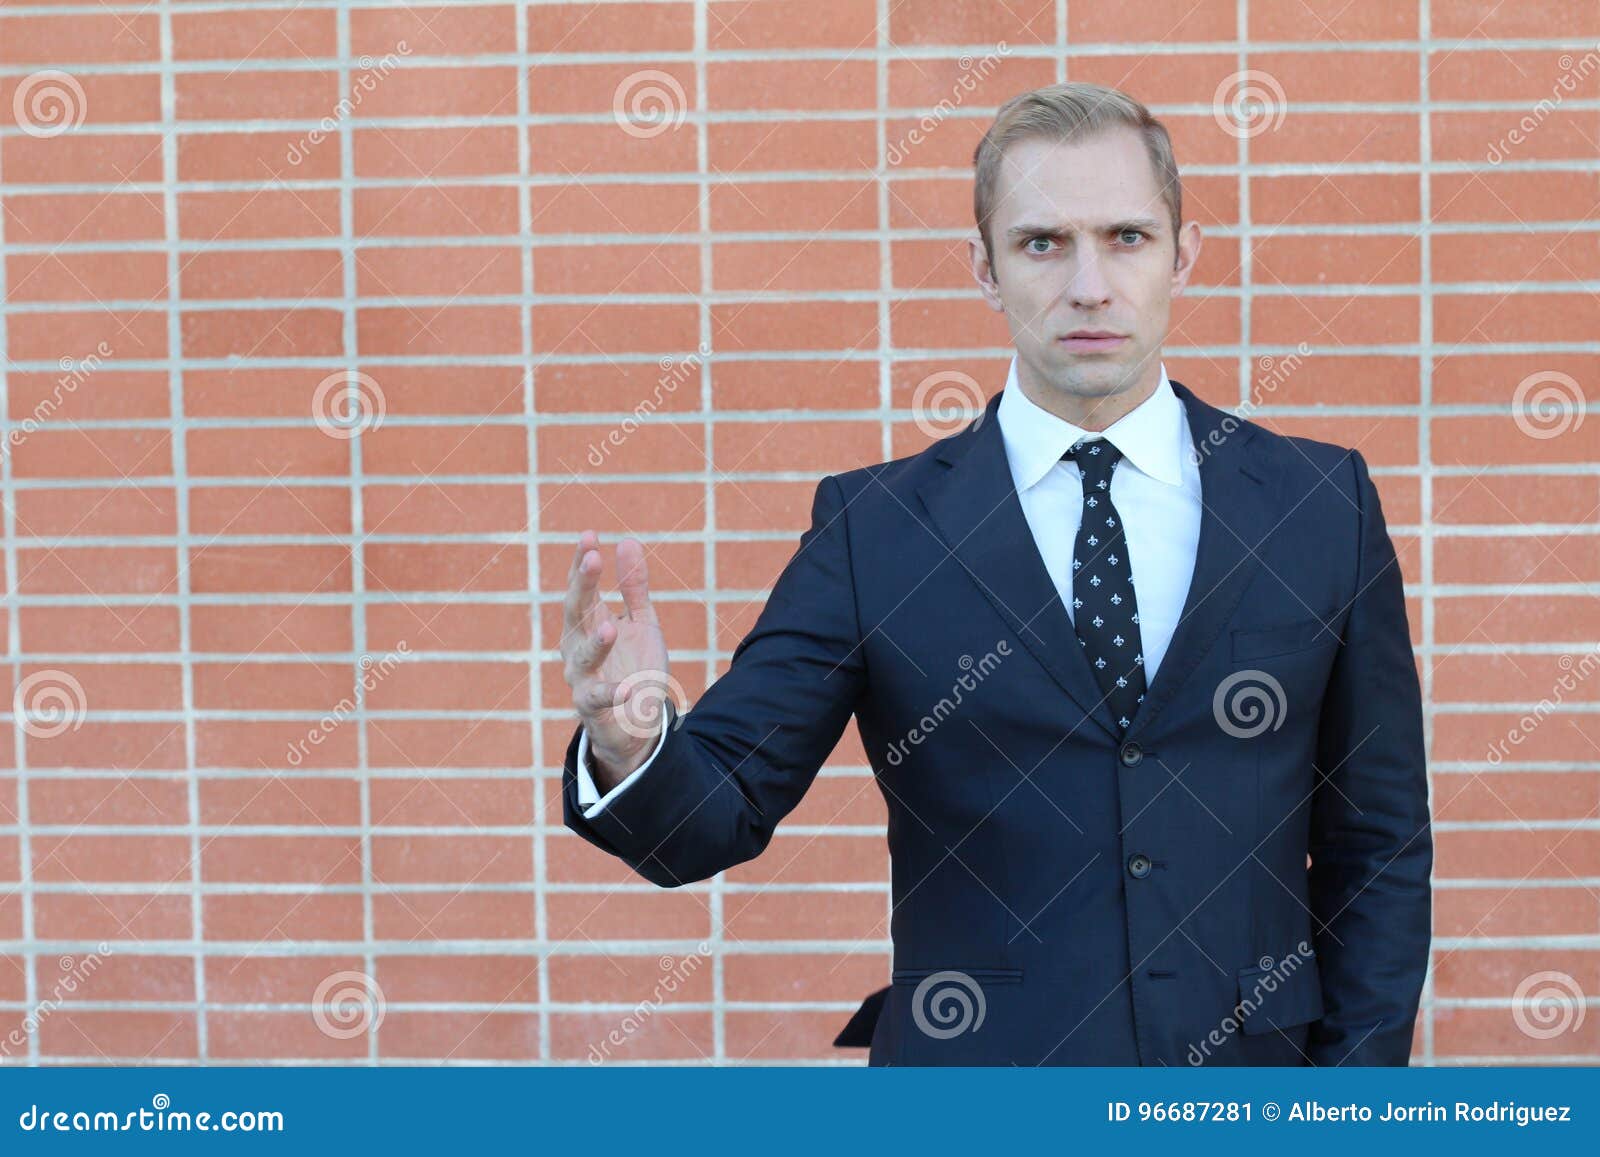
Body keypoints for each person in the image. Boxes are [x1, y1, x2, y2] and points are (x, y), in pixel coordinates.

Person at [558, 81, 1431, 1067]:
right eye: (1042, 243)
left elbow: (1379, 841)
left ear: (1184, 254)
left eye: (1127, 238)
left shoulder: (1320, 503)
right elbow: (710, 819)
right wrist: (628, 740)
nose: (1089, 285)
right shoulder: (875, 529)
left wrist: (1349, 1104)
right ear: (984, 268)